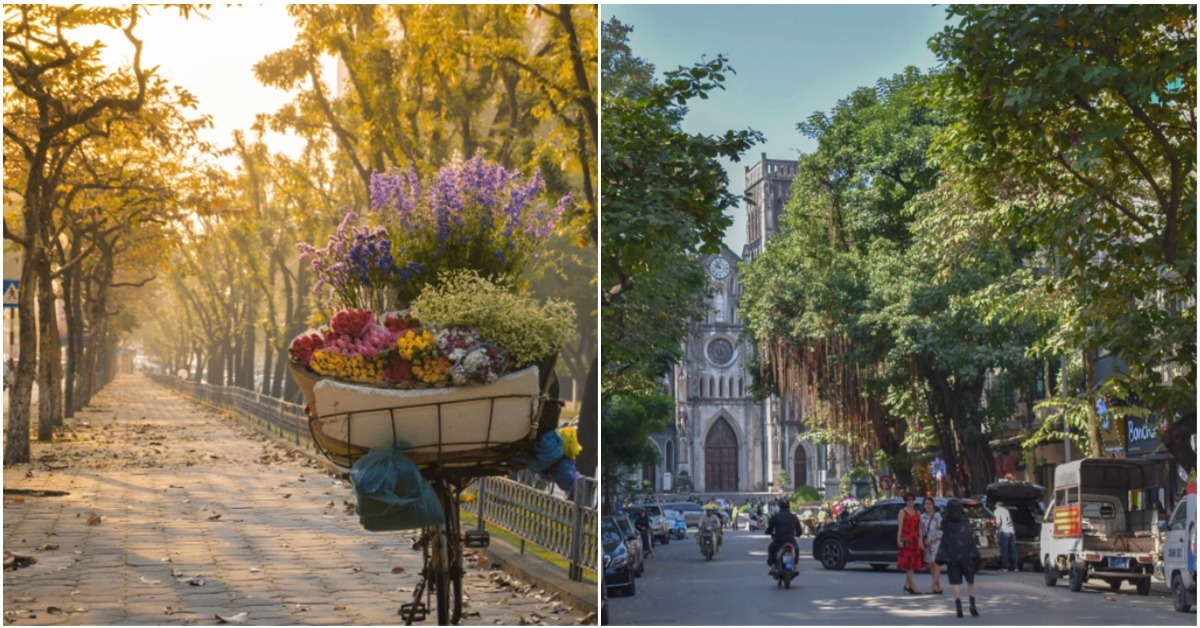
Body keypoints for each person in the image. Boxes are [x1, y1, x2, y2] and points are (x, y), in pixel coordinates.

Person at [940, 499, 981, 617]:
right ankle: (972, 605)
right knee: (970, 581)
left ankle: (959, 609)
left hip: (952, 556)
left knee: (956, 582)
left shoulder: (946, 522)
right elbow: (970, 536)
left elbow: (942, 534)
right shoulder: (965, 520)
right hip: (967, 555)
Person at [897, 492, 926, 594]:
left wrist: (920, 539)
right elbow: (900, 526)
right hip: (906, 539)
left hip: (915, 539)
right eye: (908, 500)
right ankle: (913, 585)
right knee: (908, 563)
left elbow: (920, 527)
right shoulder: (902, 512)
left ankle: (907, 585)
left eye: (912, 500)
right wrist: (899, 539)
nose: (910, 502)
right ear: (905, 501)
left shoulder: (917, 512)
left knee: (912, 563)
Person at [765, 499, 803, 575]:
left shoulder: (775, 517)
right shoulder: (794, 517)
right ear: (789, 506)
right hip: (790, 540)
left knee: (771, 549)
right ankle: (795, 566)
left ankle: (773, 566)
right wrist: (797, 534)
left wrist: (768, 532)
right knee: (797, 550)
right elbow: (800, 531)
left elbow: (769, 529)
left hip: (778, 541)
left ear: (780, 507)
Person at [921, 496, 944, 594]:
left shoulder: (937, 516)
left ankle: (932, 588)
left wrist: (933, 539)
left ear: (933, 505)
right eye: (926, 504)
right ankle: (938, 587)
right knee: (931, 565)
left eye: (930, 504)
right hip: (926, 544)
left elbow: (941, 530)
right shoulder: (922, 517)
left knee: (936, 565)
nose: (928, 506)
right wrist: (923, 541)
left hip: (936, 543)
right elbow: (921, 530)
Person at [993, 500, 1016, 572]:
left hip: (1004, 532)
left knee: (1004, 550)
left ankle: (1004, 567)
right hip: (1011, 532)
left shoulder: (997, 511)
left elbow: (999, 522)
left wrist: (995, 530)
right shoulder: (1007, 511)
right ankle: (1015, 567)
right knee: (1013, 550)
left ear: (997, 506)